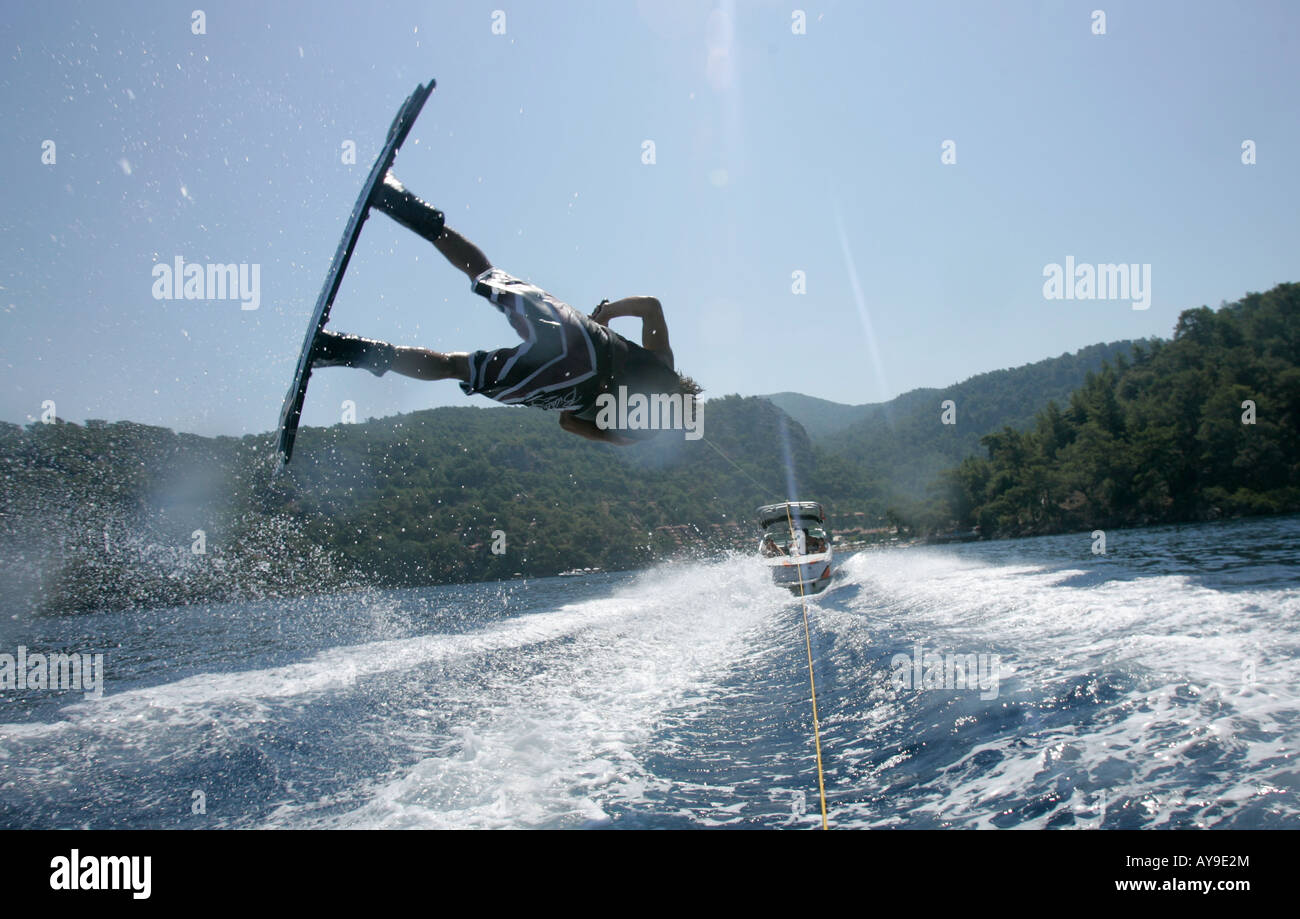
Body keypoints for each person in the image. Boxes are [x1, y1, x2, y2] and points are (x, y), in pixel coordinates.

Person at [310, 173, 701, 444]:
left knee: (485, 273)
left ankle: (397, 200)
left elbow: (651, 306)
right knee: (453, 367)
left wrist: (606, 315)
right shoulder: (634, 435)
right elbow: (567, 423)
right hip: (556, 385)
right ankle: (338, 349)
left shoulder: (663, 363)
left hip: (582, 339)